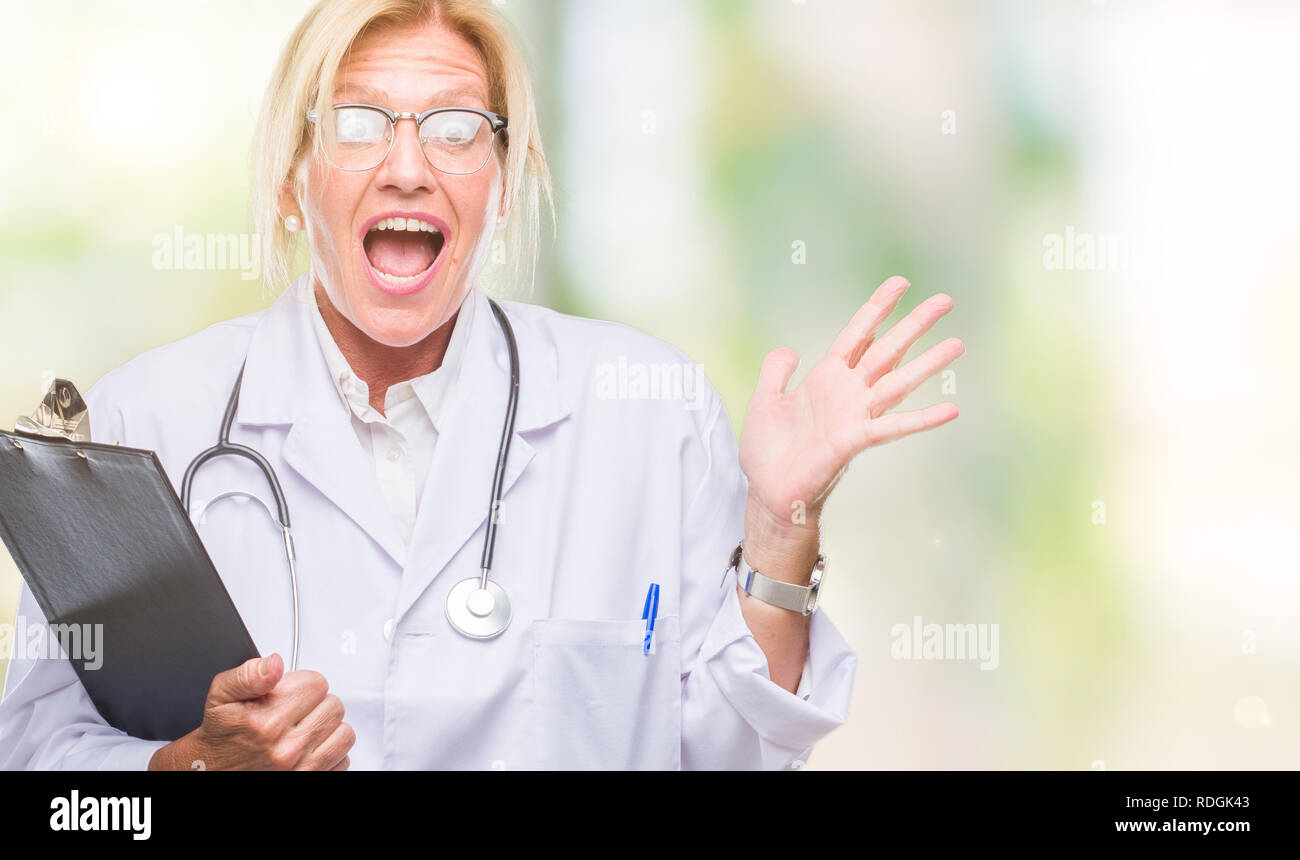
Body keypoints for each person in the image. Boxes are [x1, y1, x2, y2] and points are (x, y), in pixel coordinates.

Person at [0, 0, 963, 770]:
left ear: (503, 183)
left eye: (459, 129)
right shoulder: (142, 424)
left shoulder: (648, 412)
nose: (409, 167)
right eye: (358, 122)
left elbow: (730, 756)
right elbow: (45, 776)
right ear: (295, 177)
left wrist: (783, 527)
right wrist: (188, 771)